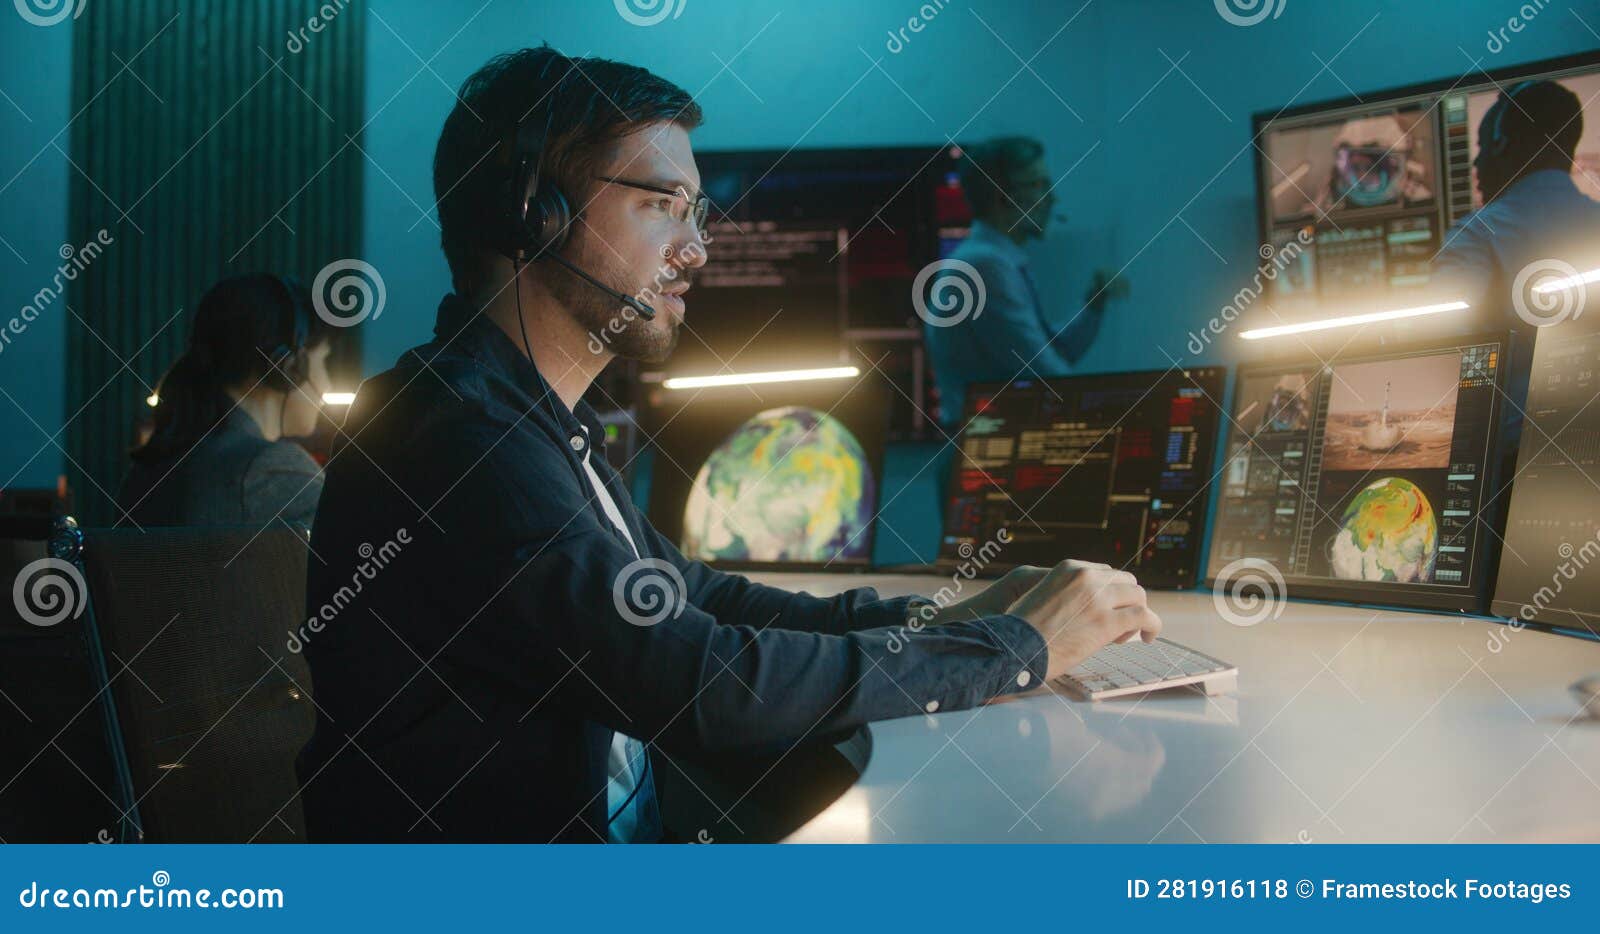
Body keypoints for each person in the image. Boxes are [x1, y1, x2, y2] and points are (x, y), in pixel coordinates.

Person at [295, 46, 1161, 843]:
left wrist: (949, 620)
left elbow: (697, 599)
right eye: (661, 205)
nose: (697, 249)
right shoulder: (457, 439)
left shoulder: (530, 420)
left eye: (696, 212)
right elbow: (703, 684)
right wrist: (1017, 650)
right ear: (535, 215)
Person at [1432, 79, 1600, 451]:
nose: (1476, 162)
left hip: (1511, 454)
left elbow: (1441, 358)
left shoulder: (1476, 236)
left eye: (1481, 147)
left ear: (1502, 144)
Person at [922, 136, 1124, 428]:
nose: (1052, 198)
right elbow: (1046, 373)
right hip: (985, 443)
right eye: (1038, 185)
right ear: (1003, 197)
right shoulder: (985, 267)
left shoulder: (993, 261)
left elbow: (1054, 353)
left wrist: (1095, 303)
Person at [118, 274, 334, 528]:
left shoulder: (147, 469)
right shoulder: (270, 469)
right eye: (323, 361)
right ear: (287, 367)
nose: (327, 385)